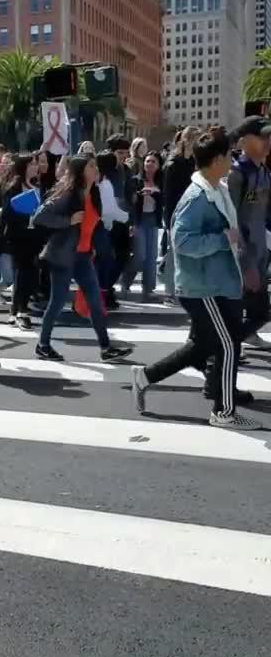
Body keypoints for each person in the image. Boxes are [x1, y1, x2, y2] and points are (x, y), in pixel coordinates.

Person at [131, 130, 261, 431]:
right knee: (228, 345)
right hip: (201, 287)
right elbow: (182, 242)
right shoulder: (197, 197)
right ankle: (224, 412)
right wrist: (222, 239)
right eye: (228, 156)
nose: (232, 161)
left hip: (218, 283)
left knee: (202, 347)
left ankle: (145, 376)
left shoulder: (217, 189)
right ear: (216, 160)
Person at [31, 155, 132, 362]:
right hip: (63, 256)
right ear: (81, 171)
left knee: (95, 301)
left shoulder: (94, 193)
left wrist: (91, 246)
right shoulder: (68, 194)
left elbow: (91, 226)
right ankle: (43, 345)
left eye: (95, 165)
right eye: (91, 166)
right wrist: (68, 220)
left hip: (83, 256)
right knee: (57, 303)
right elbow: (39, 216)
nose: (96, 169)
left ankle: (106, 348)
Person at [228, 116, 271, 351]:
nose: (268, 141)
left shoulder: (264, 172)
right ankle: (223, 344)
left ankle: (244, 336)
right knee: (235, 302)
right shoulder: (236, 174)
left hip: (261, 249)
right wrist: (244, 259)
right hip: (243, 252)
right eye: (263, 137)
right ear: (244, 141)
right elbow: (230, 218)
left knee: (260, 309)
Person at [0, 153, 40, 330]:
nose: (36, 167)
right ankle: (22, 312)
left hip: (34, 237)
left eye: (36, 164)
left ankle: (14, 310)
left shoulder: (36, 186)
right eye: (32, 164)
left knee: (27, 274)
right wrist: (25, 213)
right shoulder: (13, 187)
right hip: (18, 237)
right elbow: (6, 214)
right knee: (23, 273)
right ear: (23, 167)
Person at [161, 126, 199, 302]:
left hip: (191, 212)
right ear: (186, 140)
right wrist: (169, 221)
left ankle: (182, 289)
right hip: (176, 213)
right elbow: (168, 196)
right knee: (173, 253)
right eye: (194, 140)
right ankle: (169, 291)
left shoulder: (193, 162)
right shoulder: (173, 164)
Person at [123, 151, 163, 301]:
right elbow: (129, 202)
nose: (150, 164)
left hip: (153, 220)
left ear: (158, 165)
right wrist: (140, 195)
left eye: (153, 161)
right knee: (140, 255)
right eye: (147, 161)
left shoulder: (161, 181)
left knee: (151, 257)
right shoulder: (135, 180)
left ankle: (148, 290)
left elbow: (164, 199)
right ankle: (126, 279)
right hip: (138, 220)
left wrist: (155, 194)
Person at [96, 151, 129, 310]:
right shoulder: (106, 182)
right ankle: (104, 294)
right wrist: (126, 217)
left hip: (103, 226)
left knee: (105, 262)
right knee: (108, 262)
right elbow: (109, 209)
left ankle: (105, 294)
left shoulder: (104, 181)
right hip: (104, 227)